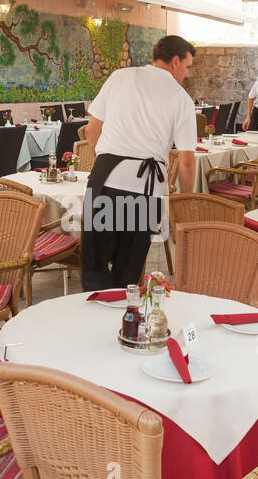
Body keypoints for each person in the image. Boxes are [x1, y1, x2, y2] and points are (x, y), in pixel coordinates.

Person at [81, 35, 198, 291]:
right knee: (128, 269)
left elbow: (91, 131)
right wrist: (184, 206)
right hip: (145, 191)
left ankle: (91, 321)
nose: (186, 75)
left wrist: (108, 160)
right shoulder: (181, 99)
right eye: (187, 67)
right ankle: (123, 324)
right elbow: (187, 162)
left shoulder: (120, 77)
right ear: (175, 61)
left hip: (105, 179)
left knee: (94, 264)